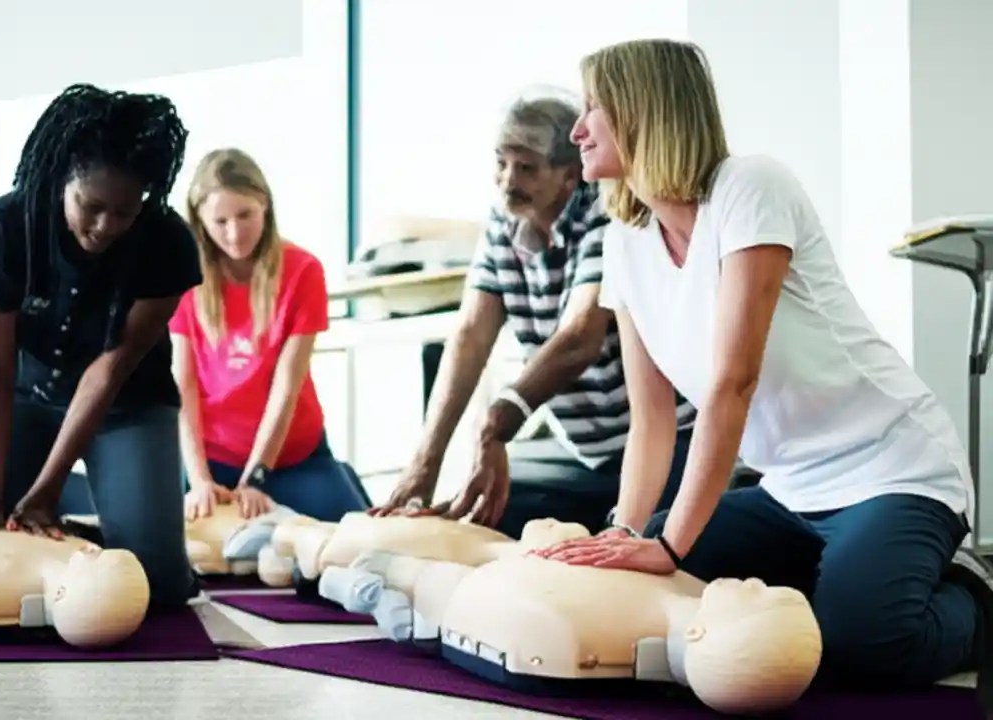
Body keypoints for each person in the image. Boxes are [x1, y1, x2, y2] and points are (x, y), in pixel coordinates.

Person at [545, 37, 993, 698]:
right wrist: (626, 535)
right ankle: (839, 577)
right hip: (787, 490)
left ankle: (976, 597)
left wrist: (670, 544)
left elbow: (733, 382)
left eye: (593, 108)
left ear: (644, 112)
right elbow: (653, 418)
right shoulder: (624, 241)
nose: (576, 130)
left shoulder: (750, 187)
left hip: (891, 470)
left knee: (863, 641)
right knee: (651, 588)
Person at [0, 84, 202, 611]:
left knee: (155, 586)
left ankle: (75, 519)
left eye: (124, 212)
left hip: (127, 406)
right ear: (63, 177)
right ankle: (47, 516)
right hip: (24, 395)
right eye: (91, 206)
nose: (105, 226)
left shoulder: (167, 243)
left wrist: (47, 487)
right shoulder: (5, 227)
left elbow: (108, 372)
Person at [371, 90, 697, 538]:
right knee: (484, 511)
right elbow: (470, 335)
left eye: (527, 167)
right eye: (501, 163)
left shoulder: (608, 213)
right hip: (584, 455)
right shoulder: (503, 224)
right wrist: (424, 465)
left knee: (654, 544)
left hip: (667, 441)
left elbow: (581, 335)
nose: (508, 180)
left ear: (568, 176)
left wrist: (498, 420)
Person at [173, 148, 369, 523]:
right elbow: (184, 387)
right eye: (220, 221)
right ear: (200, 221)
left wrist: (256, 477)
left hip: (293, 458)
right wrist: (199, 479)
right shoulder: (185, 277)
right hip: (212, 459)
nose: (234, 233)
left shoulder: (303, 271)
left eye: (245, 214)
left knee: (355, 538)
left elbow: (286, 388)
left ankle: (340, 477)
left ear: (264, 203)